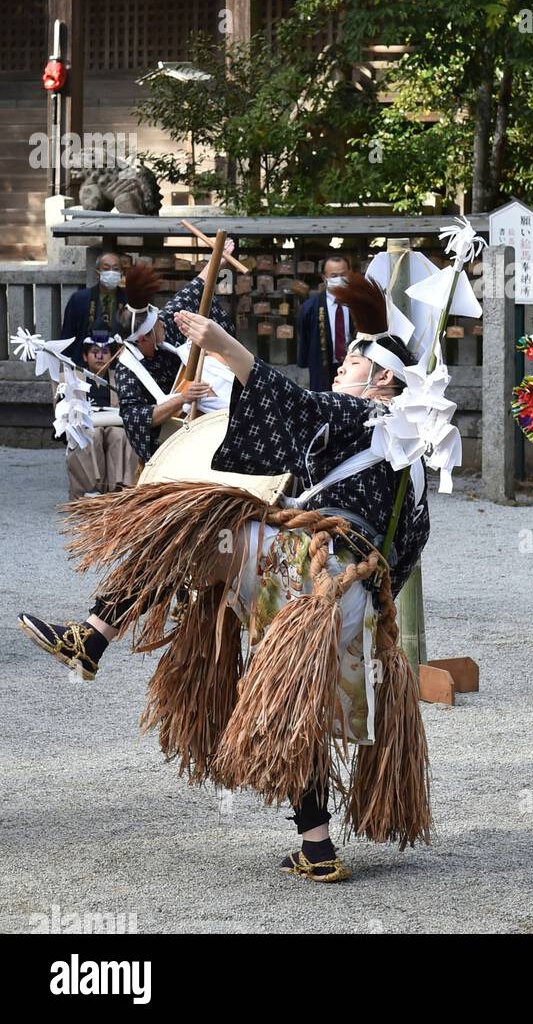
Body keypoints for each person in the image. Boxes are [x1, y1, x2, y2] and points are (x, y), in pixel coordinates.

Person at [17, 272, 434, 883]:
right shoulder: (417, 459)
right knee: (300, 704)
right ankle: (317, 848)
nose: (340, 370)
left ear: (383, 382)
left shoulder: (366, 416)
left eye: (349, 364)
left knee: (190, 525)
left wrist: (222, 344)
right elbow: (405, 548)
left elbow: (296, 404)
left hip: (301, 572)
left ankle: (94, 635)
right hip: (354, 602)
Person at [112, 251, 237, 462]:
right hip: (171, 439)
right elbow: (135, 418)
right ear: (144, 339)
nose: (163, 324)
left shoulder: (162, 326)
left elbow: (193, 291)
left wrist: (218, 259)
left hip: (204, 411)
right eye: (157, 326)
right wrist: (183, 399)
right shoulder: (127, 372)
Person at [60, 326, 139, 499]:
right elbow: (63, 410)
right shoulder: (73, 378)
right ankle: (90, 488)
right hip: (86, 425)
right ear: (84, 356)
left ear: (112, 356)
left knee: (120, 436)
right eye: (95, 351)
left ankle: (118, 490)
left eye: (105, 352)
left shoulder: (120, 377)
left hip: (114, 422)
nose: (100, 356)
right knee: (92, 435)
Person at [298, 253, 357, 390]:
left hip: (353, 366)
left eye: (343, 275)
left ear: (349, 274)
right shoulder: (311, 307)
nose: (339, 279)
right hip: (322, 365)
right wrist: (304, 363)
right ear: (324, 277)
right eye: (334, 276)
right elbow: (304, 337)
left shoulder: (358, 304)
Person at [59, 251, 127, 365]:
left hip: (120, 364)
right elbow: (68, 335)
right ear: (97, 272)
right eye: (106, 268)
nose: (111, 272)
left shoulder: (128, 300)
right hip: (84, 363)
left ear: (121, 273)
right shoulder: (79, 299)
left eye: (115, 269)